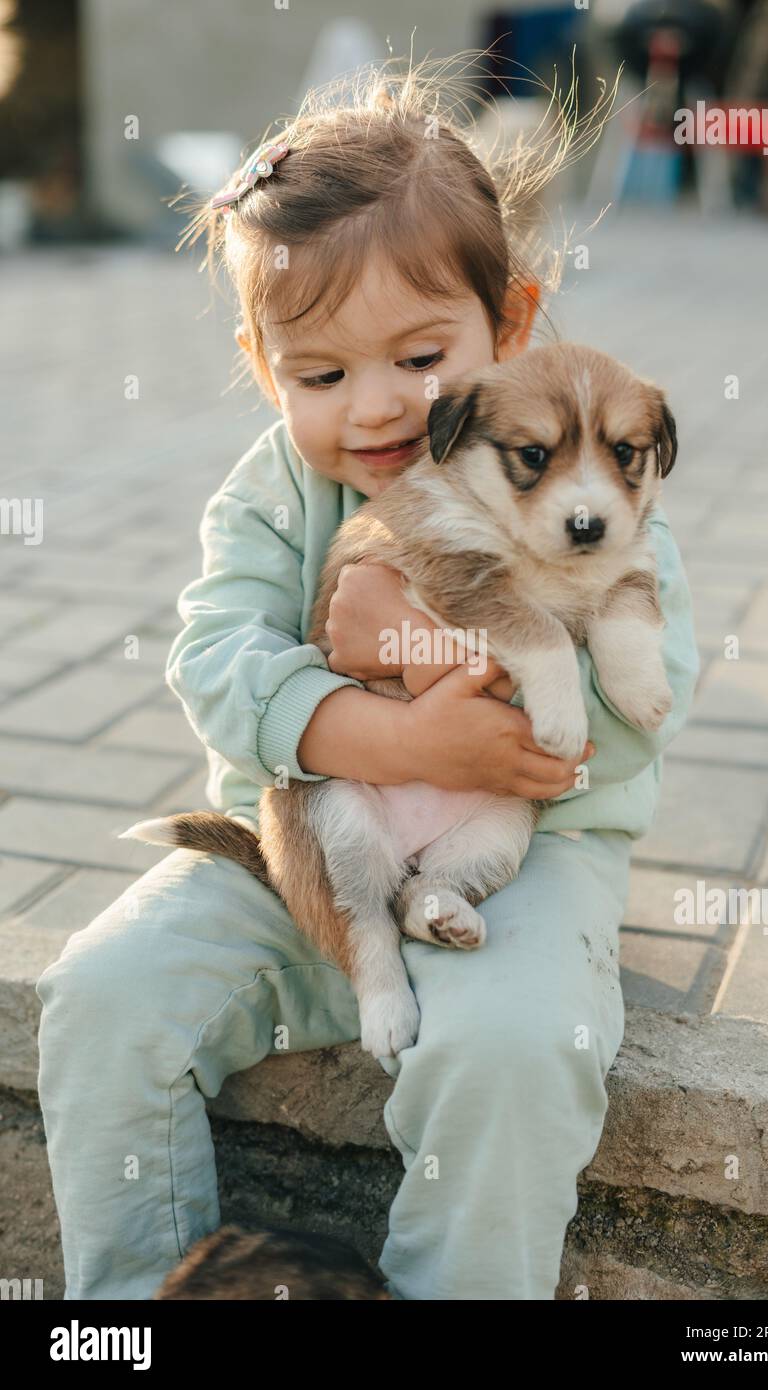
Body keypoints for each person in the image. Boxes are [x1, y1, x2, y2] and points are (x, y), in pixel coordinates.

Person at [34, 53, 699, 1301]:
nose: (379, 406)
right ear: (261, 362)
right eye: (322, 375)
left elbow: (651, 699)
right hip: (307, 858)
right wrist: (375, 733)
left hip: (525, 865)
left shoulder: (586, 493)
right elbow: (212, 655)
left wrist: (495, 714)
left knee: (512, 1053)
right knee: (100, 1000)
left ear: (508, 324)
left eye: (420, 354)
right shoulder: (271, 494)